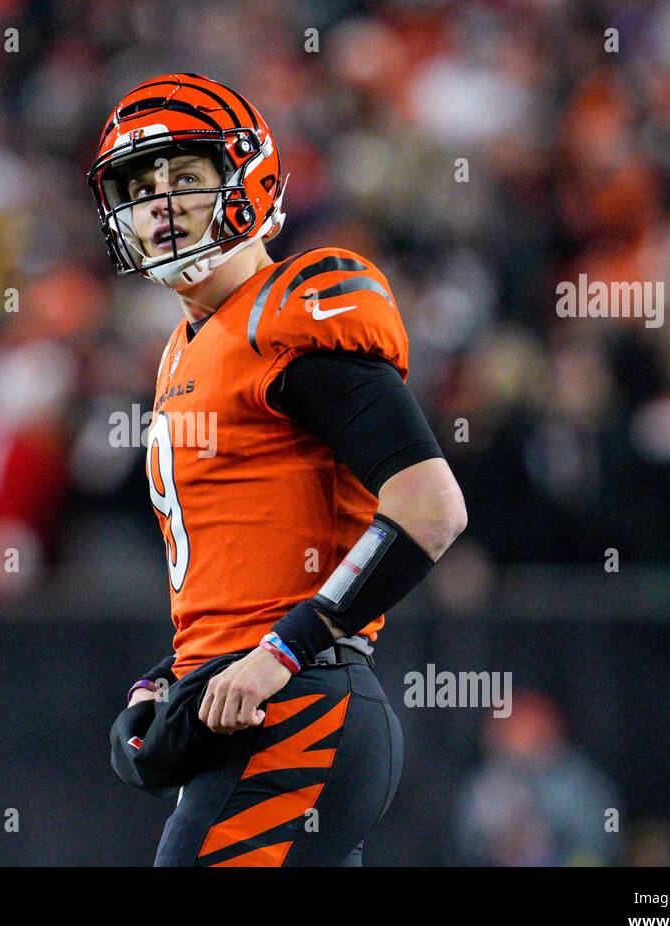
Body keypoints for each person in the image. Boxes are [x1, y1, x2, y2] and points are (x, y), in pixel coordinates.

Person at [91, 73, 466, 866]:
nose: (160, 204)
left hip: (300, 709)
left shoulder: (289, 306)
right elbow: (243, 567)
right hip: (252, 707)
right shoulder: (186, 347)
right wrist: (167, 680)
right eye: (140, 186)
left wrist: (282, 651)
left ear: (246, 177)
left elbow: (430, 506)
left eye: (185, 178)